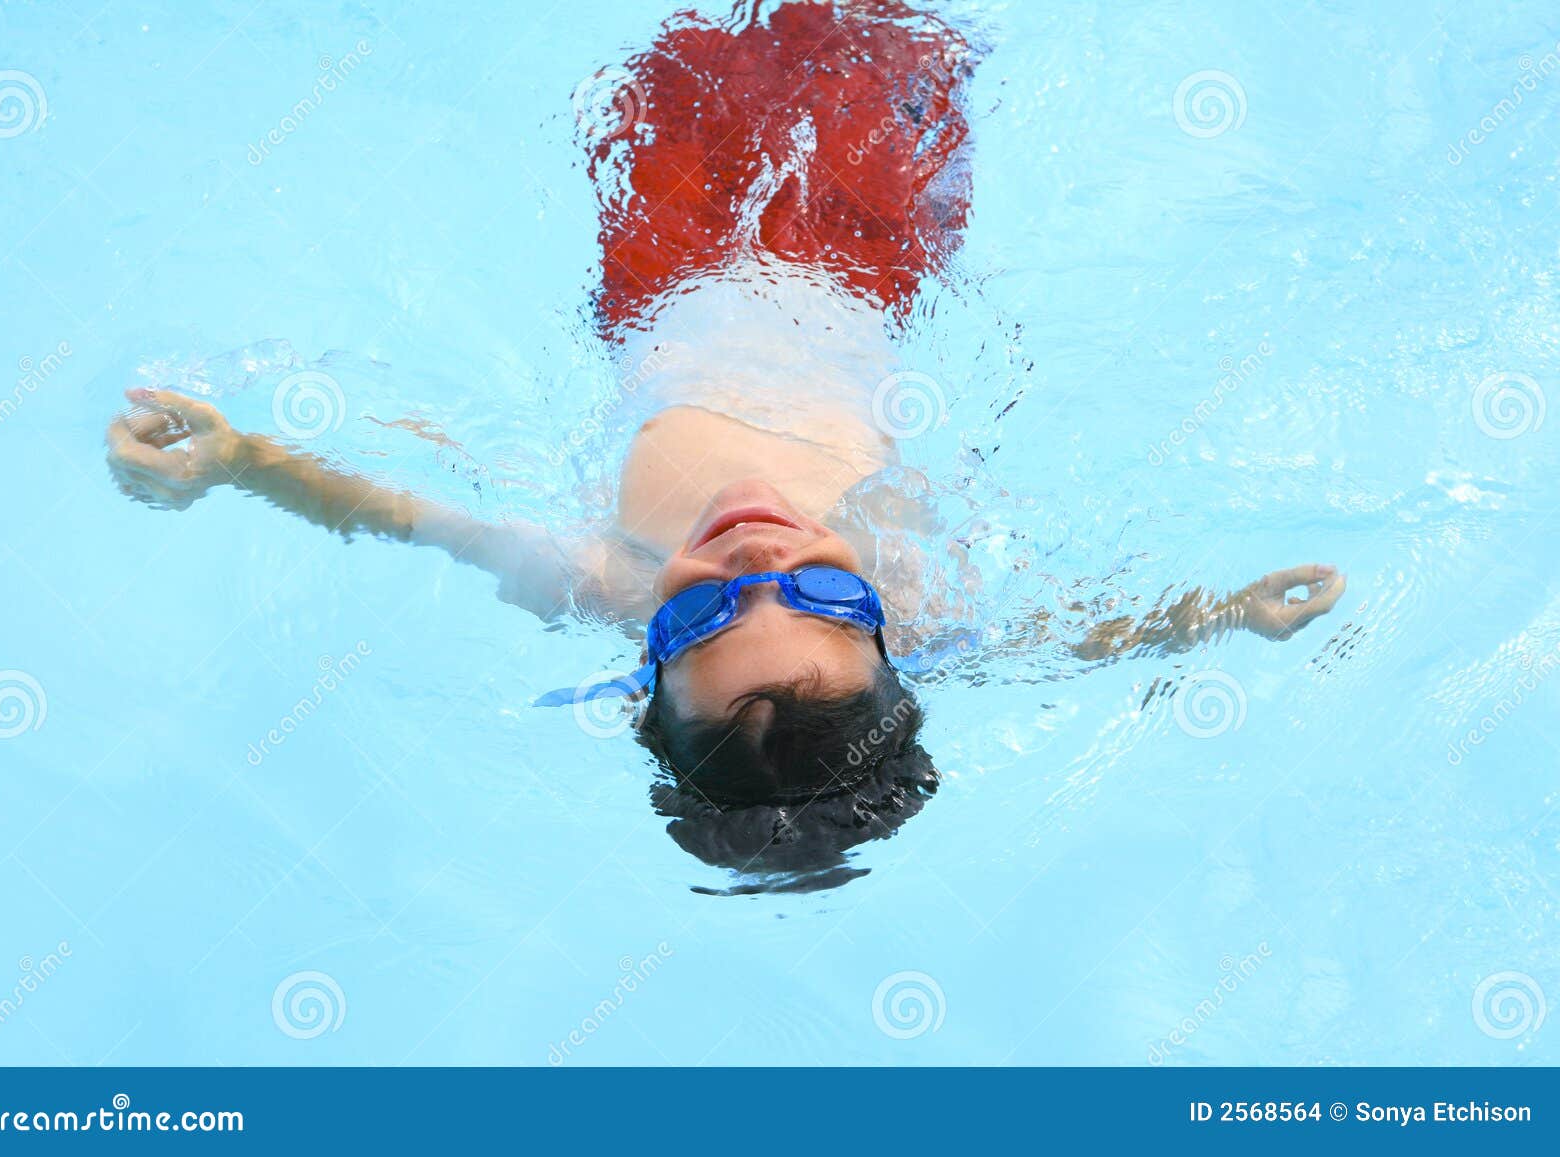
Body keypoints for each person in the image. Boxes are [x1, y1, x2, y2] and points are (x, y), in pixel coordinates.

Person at [105, 1, 1345, 891]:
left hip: (658, 277)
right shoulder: (927, 602)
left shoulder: (600, 580)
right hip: (868, 256)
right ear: (880, 631)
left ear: (643, 666)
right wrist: (1222, 615)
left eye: (699, 620)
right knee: (882, 37)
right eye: (815, 589)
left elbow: (404, 509)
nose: (755, 550)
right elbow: (1071, 639)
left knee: (685, 55)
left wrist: (237, 461)